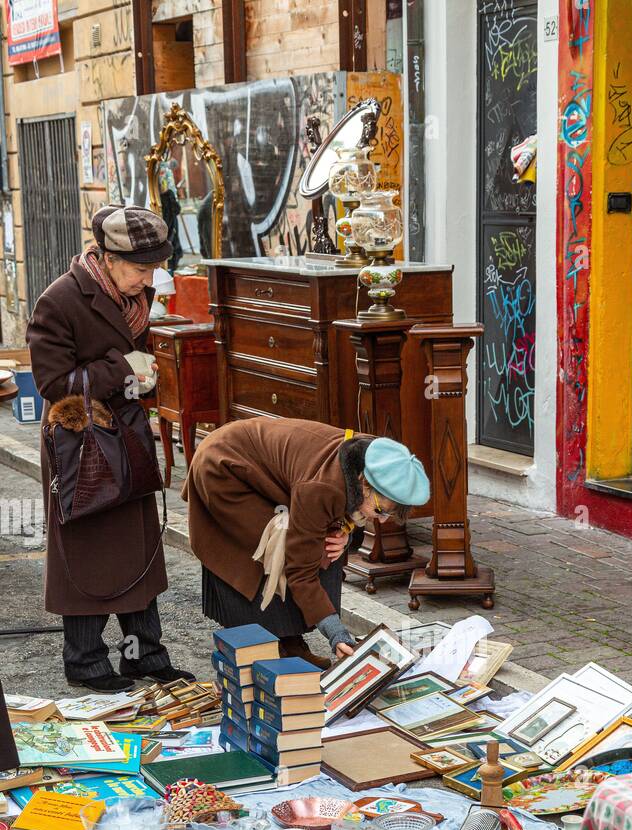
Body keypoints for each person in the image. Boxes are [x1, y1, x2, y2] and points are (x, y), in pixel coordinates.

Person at [27, 205, 193, 692]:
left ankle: (143, 655)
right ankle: (85, 661)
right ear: (107, 257)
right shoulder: (58, 300)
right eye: (141, 269)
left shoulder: (133, 297)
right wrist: (124, 369)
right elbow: (53, 383)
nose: (149, 279)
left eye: (154, 267)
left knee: (137, 549)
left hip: (127, 433)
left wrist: (143, 378)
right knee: (88, 550)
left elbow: (128, 366)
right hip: (81, 441)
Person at [182, 418, 430, 667]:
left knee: (326, 544)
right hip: (225, 470)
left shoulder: (378, 458)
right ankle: (263, 650)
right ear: (365, 484)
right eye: (380, 510)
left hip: (258, 470)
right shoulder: (322, 487)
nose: (383, 520)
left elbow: (340, 508)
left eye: (389, 514)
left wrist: (345, 528)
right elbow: (300, 570)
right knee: (277, 550)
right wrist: (335, 632)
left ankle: (289, 642)